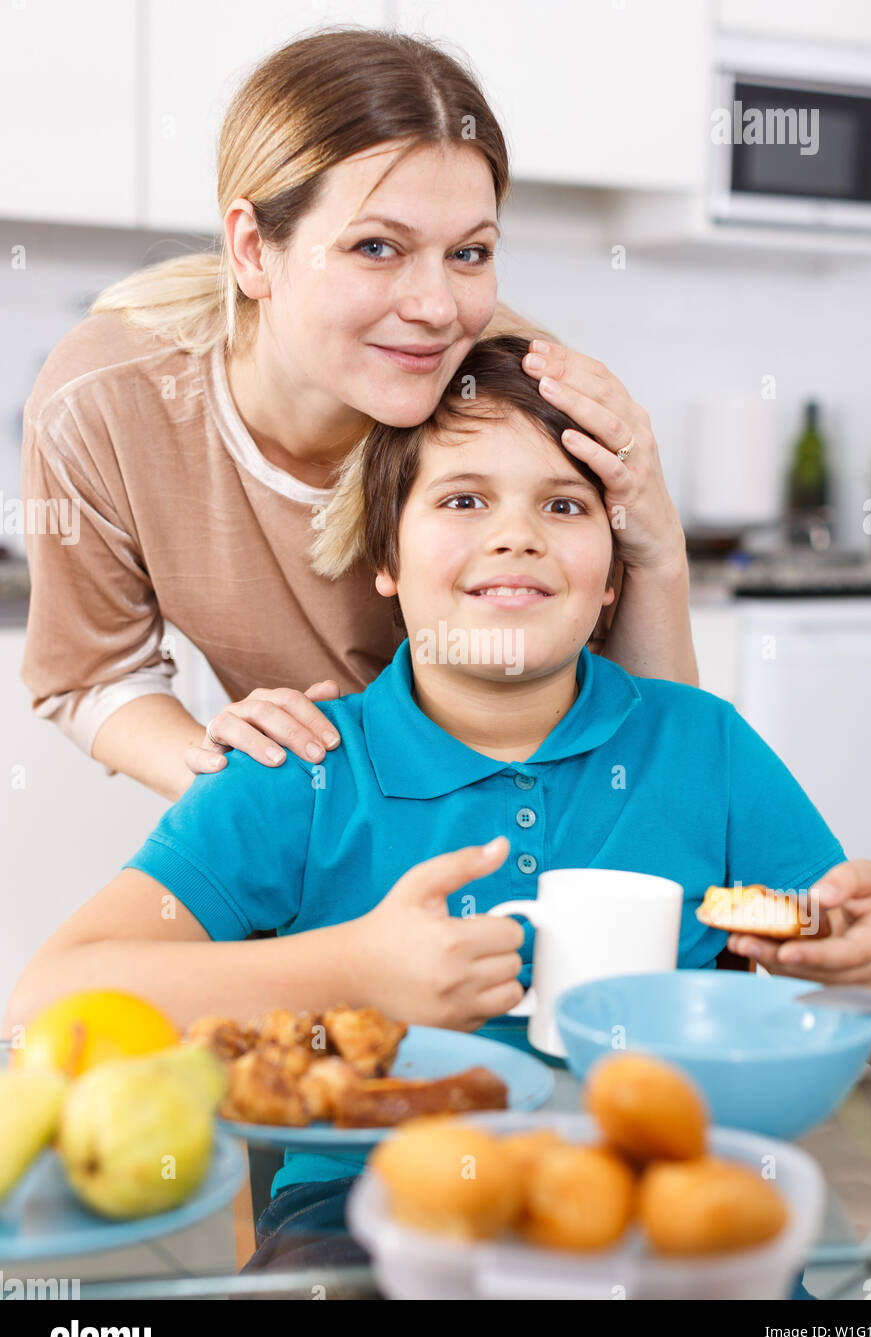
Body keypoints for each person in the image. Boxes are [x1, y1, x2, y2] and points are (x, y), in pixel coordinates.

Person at [9, 334, 871, 1274]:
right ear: (385, 557)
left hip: (654, 1199)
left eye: (565, 505)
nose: (516, 534)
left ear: (614, 572)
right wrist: (354, 970)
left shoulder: (708, 750)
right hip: (364, 1215)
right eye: (462, 499)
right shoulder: (299, 767)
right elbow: (50, 995)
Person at [20, 26, 696, 805]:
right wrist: (239, 784)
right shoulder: (108, 401)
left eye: (470, 253)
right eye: (377, 247)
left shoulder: (514, 393)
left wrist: (657, 547)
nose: (438, 309)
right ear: (251, 250)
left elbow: (653, 742)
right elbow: (94, 674)